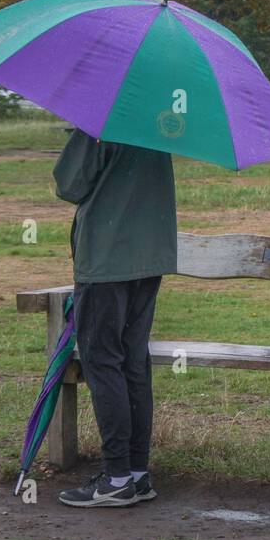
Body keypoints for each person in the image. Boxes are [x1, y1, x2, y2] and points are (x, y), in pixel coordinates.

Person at [52, 127, 176, 507]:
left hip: (106, 262)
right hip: (148, 258)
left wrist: (81, 134)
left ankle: (117, 476)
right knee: (133, 361)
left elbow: (69, 184)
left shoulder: (100, 120)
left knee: (103, 361)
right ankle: (136, 473)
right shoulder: (155, 122)